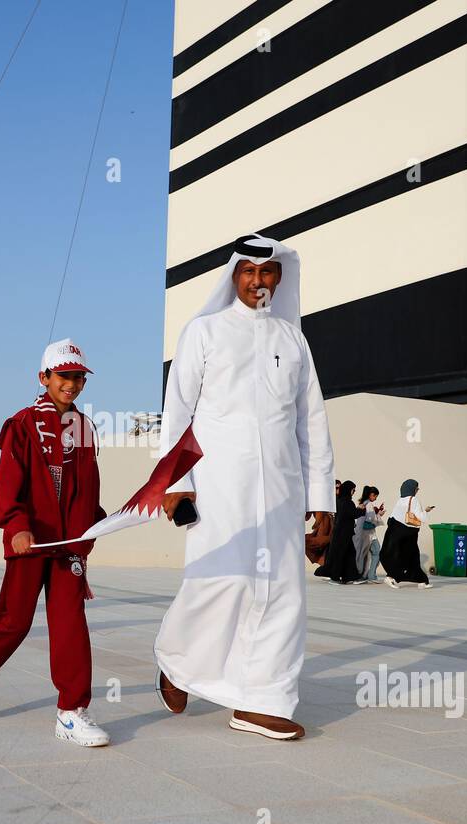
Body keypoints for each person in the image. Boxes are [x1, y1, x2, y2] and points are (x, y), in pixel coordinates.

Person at [155, 234, 335, 741]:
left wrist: (321, 503)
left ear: (280, 276)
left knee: (284, 593)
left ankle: (262, 700)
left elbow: (312, 425)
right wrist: (177, 483)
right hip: (218, 487)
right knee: (220, 581)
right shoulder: (204, 332)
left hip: (282, 490)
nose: (258, 280)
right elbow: (177, 414)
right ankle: (176, 660)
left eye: (268, 271)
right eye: (249, 271)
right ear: (235, 275)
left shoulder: (293, 340)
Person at [0, 338, 109, 747]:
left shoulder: (84, 427)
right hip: (30, 541)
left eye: (79, 377)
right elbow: (9, 482)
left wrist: (95, 523)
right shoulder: (22, 425)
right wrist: (16, 525)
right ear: (44, 377)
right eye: (64, 376)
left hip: (68, 544)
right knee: (16, 621)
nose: (73, 384)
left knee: (70, 624)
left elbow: (87, 486)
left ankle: (72, 712)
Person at [380, 478, 436, 589]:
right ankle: (393, 577)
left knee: (400, 555)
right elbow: (421, 517)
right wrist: (426, 511)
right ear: (412, 489)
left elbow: (396, 516)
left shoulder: (400, 500)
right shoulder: (414, 500)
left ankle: (421, 581)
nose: (417, 490)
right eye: (416, 488)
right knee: (411, 557)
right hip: (407, 534)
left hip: (395, 531)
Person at [317, 479, 365, 584]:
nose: (354, 492)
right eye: (353, 490)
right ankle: (335, 577)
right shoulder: (346, 502)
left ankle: (349, 577)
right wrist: (361, 509)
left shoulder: (341, 501)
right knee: (340, 555)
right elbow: (354, 514)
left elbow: (349, 514)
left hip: (343, 533)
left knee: (349, 554)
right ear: (348, 490)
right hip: (342, 534)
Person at [353, 485, 385, 582]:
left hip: (364, 534)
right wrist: (379, 515)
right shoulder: (369, 505)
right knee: (375, 553)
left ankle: (367, 574)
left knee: (368, 553)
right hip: (368, 534)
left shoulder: (363, 503)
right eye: (375, 496)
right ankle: (369, 575)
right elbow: (369, 520)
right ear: (371, 495)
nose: (375, 498)